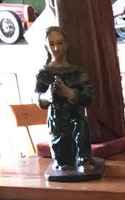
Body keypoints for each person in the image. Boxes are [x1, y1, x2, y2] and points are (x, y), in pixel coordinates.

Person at [34, 26, 94, 171]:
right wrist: (46, 97)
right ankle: (64, 162)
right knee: (63, 162)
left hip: (75, 116)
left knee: (80, 124)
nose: (56, 48)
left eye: (59, 43)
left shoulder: (78, 72)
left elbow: (88, 97)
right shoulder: (44, 73)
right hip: (57, 121)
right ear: (46, 47)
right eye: (52, 44)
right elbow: (37, 96)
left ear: (66, 44)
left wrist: (70, 93)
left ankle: (83, 161)